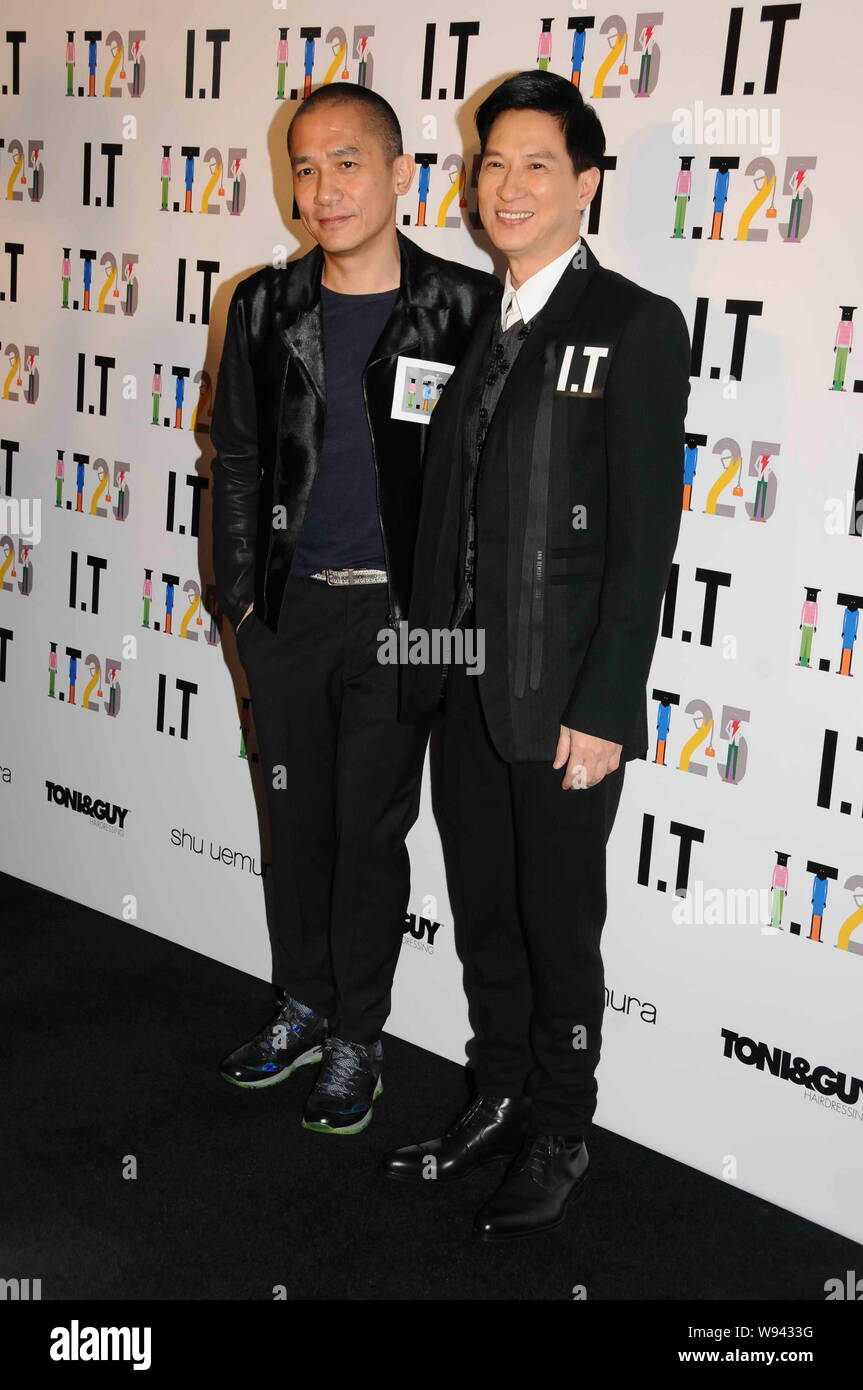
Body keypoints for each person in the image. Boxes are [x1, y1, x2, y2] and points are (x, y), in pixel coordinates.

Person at [383, 70, 691, 1238]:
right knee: (482, 911)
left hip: (562, 698)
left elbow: (640, 541)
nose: (504, 187)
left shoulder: (633, 326)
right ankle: (496, 1088)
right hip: (461, 684)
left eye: (534, 167)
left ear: (587, 185)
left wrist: (605, 705)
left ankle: (561, 1122)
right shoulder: (473, 321)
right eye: (490, 163)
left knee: (557, 920)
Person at [210, 82, 498, 1135]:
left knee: (369, 834)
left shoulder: (464, 308)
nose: (319, 188)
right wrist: (241, 606)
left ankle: (357, 1038)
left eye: (343, 163)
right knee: (294, 822)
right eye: (303, 165)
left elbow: (487, 486)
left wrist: (455, 625)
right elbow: (235, 460)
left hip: (402, 624)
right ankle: (300, 1005)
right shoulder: (261, 305)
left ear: (395, 174)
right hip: (287, 619)